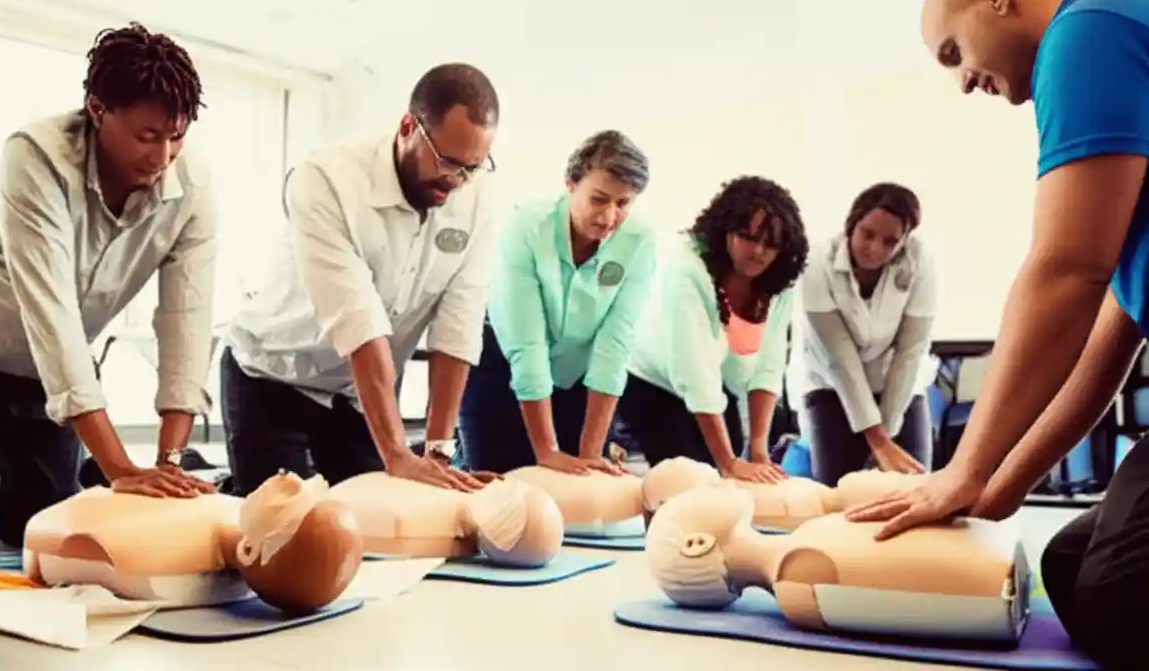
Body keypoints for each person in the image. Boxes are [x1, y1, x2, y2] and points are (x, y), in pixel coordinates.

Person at [842, 0, 1149, 669]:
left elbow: (1066, 271)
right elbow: (1109, 335)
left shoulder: (1090, 32)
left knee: (1118, 600)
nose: (961, 83)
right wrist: (994, 486)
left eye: (954, 53)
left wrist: (963, 467)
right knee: (1071, 566)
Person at [0, 23, 218, 566]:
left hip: (39, 372)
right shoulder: (35, 155)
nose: (164, 155)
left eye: (176, 136)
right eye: (147, 136)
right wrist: (121, 469)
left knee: (42, 529)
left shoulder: (192, 188)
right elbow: (50, 310)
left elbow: (186, 319)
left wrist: (169, 462)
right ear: (98, 110)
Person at [220, 63, 499, 495]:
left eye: (472, 167)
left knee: (380, 517)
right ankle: (232, 488)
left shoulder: (476, 199)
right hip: (274, 375)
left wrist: (437, 453)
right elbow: (360, 327)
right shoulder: (326, 179)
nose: (457, 180)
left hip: (355, 396)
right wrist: (397, 455)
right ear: (408, 126)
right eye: (446, 161)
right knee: (284, 530)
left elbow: (457, 332)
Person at [457, 130, 655, 475]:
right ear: (571, 183)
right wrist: (546, 450)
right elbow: (527, 344)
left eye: (623, 204)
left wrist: (591, 451)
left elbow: (615, 345)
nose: (609, 217)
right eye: (599, 199)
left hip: (578, 379)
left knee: (579, 486)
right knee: (501, 495)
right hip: (502, 369)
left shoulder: (639, 241)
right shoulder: (527, 226)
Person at [617, 175, 808, 483]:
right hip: (652, 382)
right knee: (691, 481)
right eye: (749, 237)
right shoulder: (687, 272)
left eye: (770, 245)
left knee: (734, 479)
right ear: (726, 229)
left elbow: (768, 367)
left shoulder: (778, 280)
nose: (759, 251)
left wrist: (758, 450)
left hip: (718, 383)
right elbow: (693, 372)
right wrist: (729, 462)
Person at [794, 183, 937, 485]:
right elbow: (840, 358)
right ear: (851, 225)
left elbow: (909, 352)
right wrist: (878, 441)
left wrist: (887, 437)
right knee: (840, 494)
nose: (875, 249)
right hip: (832, 385)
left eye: (890, 241)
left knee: (911, 487)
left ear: (905, 240)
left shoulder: (921, 261)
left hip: (898, 384)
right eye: (867, 234)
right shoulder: (817, 263)